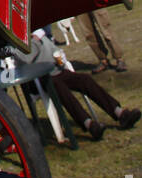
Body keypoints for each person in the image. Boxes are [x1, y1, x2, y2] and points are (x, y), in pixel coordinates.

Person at [10, 30, 139, 141]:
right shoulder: (13, 37)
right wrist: (36, 41)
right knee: (58, 86)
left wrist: (59, 57)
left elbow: (54, 51)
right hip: (36, 79)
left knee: (85, 79)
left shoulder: (38, 31)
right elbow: (25, 59)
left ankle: (120, 113)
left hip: (56, 71)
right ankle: (89, 124)